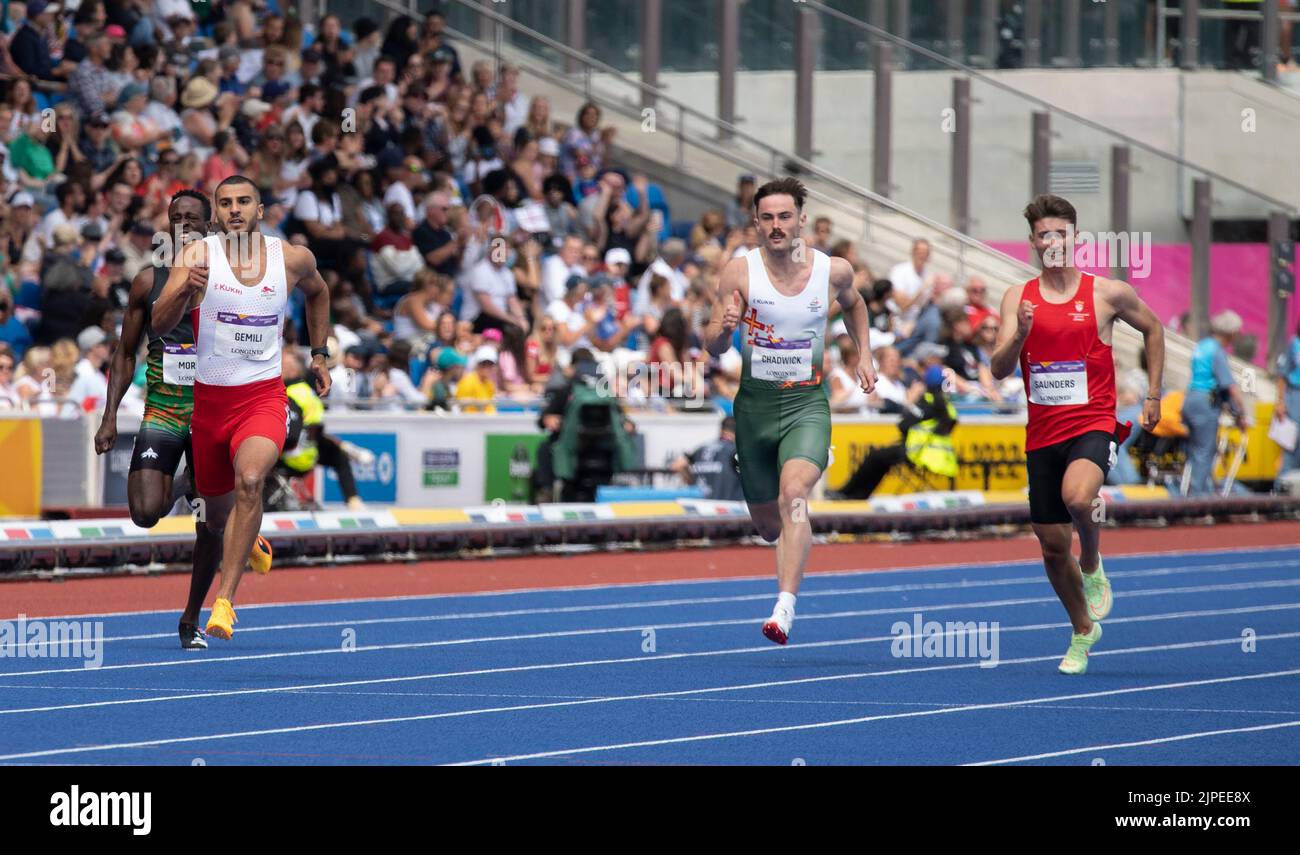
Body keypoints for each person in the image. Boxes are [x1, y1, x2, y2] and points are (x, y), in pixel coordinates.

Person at [989, 194, 1165, 675]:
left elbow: (1153, 329)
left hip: (1093, 422)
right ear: (1032, 242)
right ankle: (1083, 629)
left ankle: (1091, 560)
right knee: (1050, 545)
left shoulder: (1106, 293)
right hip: (1042, 433)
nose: (1052, 242)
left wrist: (1153, 394)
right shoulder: (1017, 298)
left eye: (1060, 234)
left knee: (1078, 497)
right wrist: (1020, 334)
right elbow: (999, 369)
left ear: (1075, 239)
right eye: (1043, 234)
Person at [152, 175, 331, 643]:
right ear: (216, 213)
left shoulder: (291, 258)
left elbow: (319, 292)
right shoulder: (197, 256)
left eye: (244, 201)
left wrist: (319, 354)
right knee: (215, 520)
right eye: (226, 203)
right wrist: (181, 292)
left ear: (260, 209)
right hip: (211, 407)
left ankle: (225, 601)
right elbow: (159, 323)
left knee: (250, 479)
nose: (235, 209)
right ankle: (247, 536)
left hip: (262, 399)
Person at [702, 177, 876, 645]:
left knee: (794, 492)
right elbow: (712, 345)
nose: (777, 225)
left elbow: (855, 306)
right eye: (767, 218)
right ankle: (768, 473)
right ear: (756, 223)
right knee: (767, 527)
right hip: (754, 409)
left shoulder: (832, 271)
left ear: (801, 220)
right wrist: (725, 329)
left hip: (806, 404)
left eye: (785, 216)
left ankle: (784, 607)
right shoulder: (738, 273)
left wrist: (865, 353)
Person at [93, 190, 268, 649]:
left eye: (193, 218)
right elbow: (125, 353)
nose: (184, 225)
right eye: (176, 218)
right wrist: (109, 417)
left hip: (215, 412)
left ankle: (191, 618)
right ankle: (194, 482)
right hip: (165, 410)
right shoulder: (148, 281)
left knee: (211, 525)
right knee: (145, 512)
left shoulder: (234, 277)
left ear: (210, 225)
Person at [831, 365, 957, 499]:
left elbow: (903, 425)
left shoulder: (927, 401)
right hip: (942, 458)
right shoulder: (948, 406)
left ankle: (846, 493)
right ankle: (859, 494)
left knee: (874, 456)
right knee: (883, 459)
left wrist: (912, 399)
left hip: (920, 455)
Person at [1182, 310, 1249, 495]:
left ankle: (1191, 490)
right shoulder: (1217, 352)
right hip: (1205, 402)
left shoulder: (1202, 346)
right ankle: (1199, 496)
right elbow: (1230, 386)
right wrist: (1242, 413)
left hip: (1190, 398)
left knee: (1194, 451)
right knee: (1205, 451)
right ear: (1231, 333)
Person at [671, 417, 744, 501]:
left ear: (721, 430)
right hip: (728, 505)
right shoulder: (735, 450)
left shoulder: (701, 449)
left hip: (702, 505)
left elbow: (678, 465)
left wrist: (692, 483)